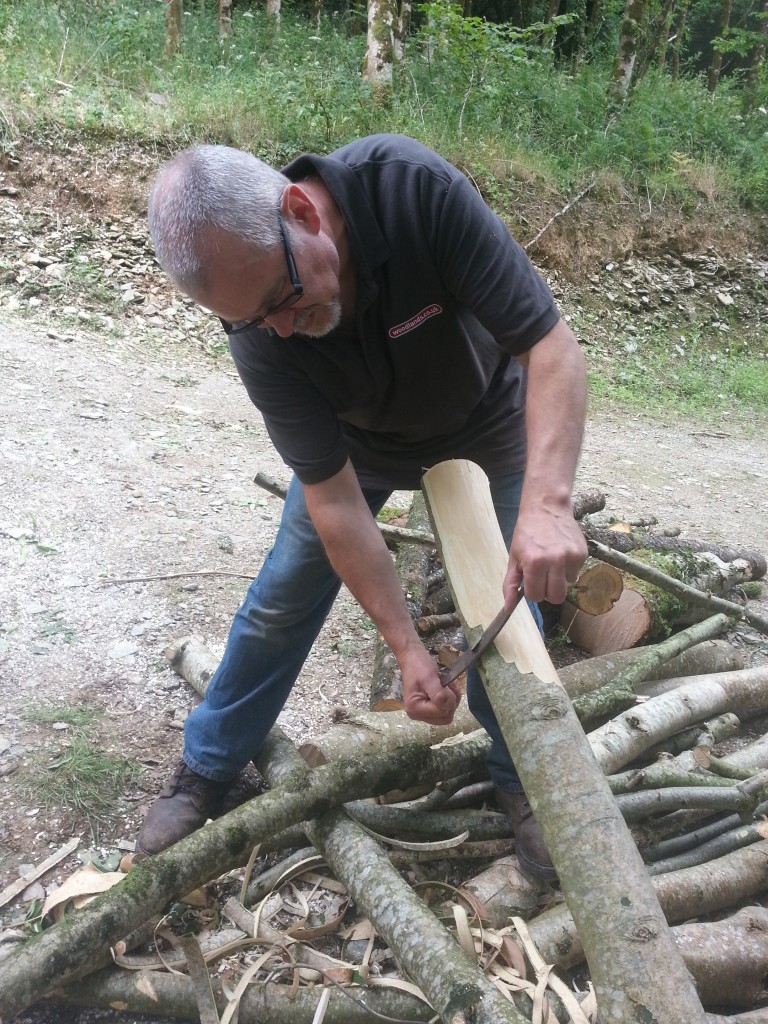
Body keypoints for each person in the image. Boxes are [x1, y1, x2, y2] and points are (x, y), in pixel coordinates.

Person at [138, 134, 588, 881]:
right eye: (253, 321)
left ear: (301, 211)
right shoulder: (257, 322)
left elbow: (550, 348)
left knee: (514, 605)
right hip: (361, 444)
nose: (279, 329)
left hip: (486, 419)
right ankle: (206, 768)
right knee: (282, 595)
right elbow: (335, 502)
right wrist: (409, 649)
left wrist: (546, 503)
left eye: (283, 301)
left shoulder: (414, 192)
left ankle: (522, 783)